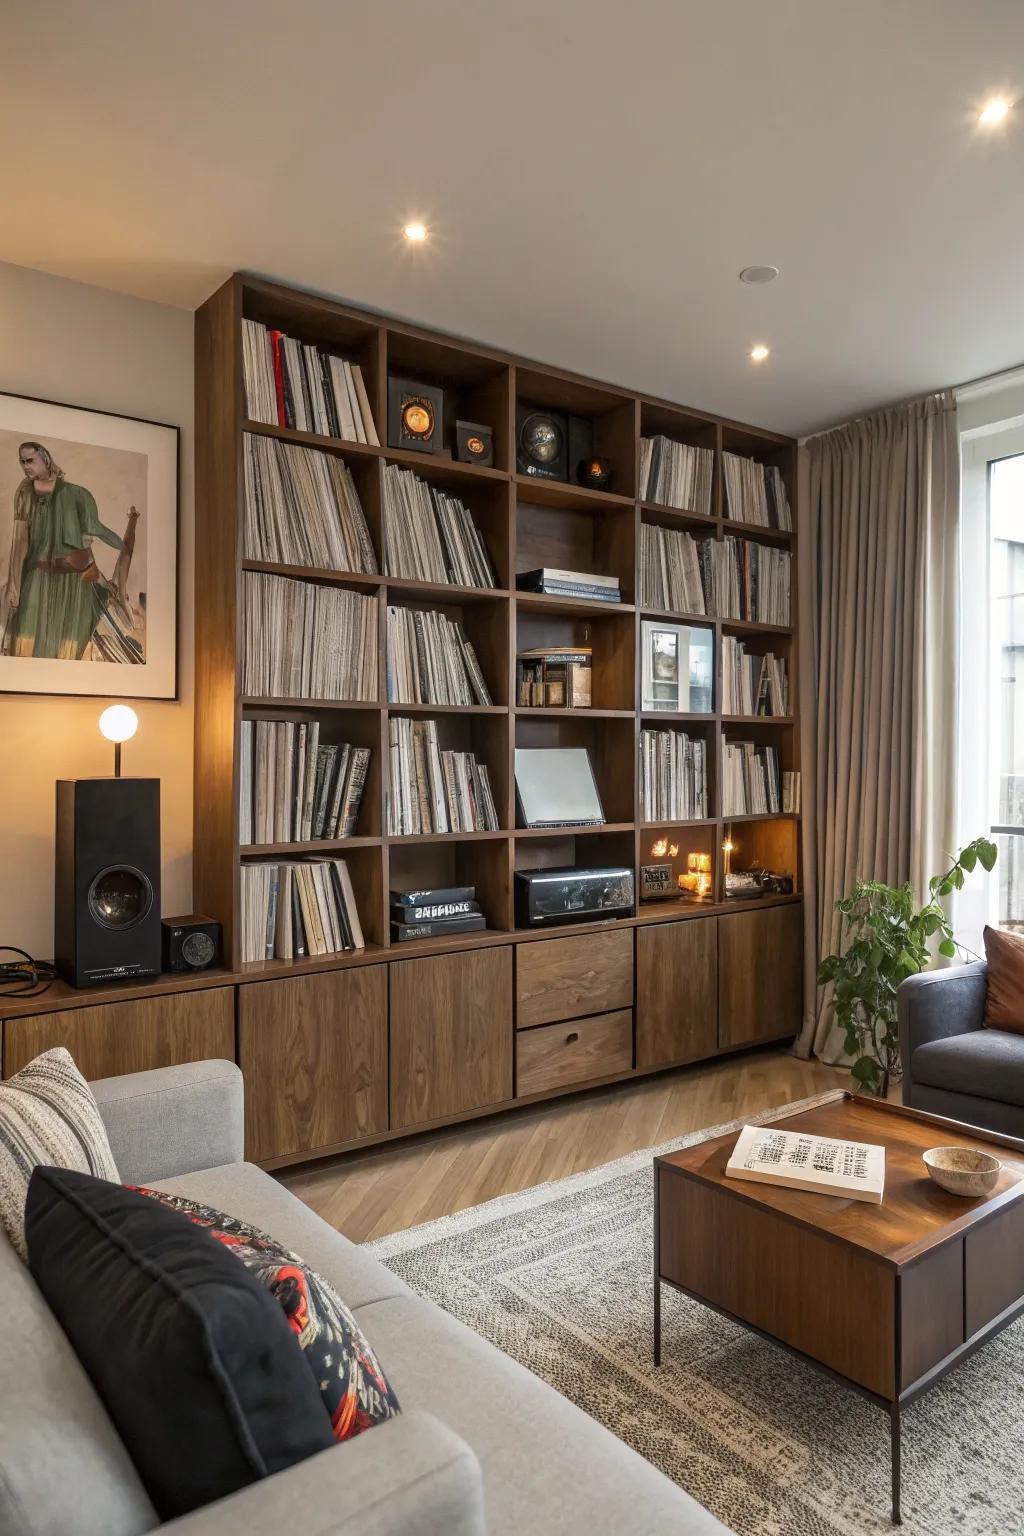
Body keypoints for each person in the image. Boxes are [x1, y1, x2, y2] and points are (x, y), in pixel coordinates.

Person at [3, 441, 124, 659]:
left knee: (65, 649)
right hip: (37, 575)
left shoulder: (77, 495)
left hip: (72, 583)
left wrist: (120, 549)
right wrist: (13, 584)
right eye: (22, 462)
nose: (25, 466)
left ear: (46, 459)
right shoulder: (24, 493)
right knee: (26, 643)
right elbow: (19, 541)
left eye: (29, 460)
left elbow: (89, 541)